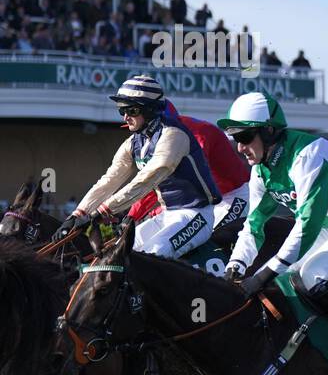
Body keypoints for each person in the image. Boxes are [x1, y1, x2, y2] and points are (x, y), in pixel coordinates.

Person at [218, 92, 328, 375]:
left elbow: (307, 224)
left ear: (269, 131)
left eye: (245, 136)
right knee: (285, 284)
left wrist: (263, 273)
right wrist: (235, 266)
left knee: (313, 276)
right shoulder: (261, 170)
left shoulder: (309, 154)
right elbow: (254, 225)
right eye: (234, 138)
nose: (239, 147)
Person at [57, 75, 221, 257]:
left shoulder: (174, 135)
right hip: (166, 215)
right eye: (121, 110)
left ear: (150, 110)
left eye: (131, 110)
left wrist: (101, 211)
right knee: (119, 255)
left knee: (152, 256)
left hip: (196, 215)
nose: (125, 117)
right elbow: (110, 179)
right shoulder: (133, 143)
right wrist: (78, 214)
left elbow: (146, 180)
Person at [126, 101, 251, 234]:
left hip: (234, 197)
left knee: (208, 235)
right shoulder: (170, 134)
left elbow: (191, 185)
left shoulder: (197, 136)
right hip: (206, 201)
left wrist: (149, 213)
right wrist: (132, 216)